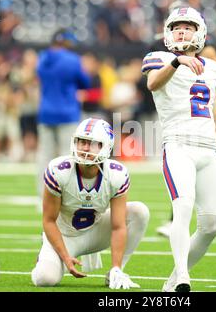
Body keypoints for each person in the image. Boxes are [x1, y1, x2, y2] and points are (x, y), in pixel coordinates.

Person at [142, 7, 216, 292]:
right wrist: (178, 63)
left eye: (188, 27)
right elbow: (152, 83)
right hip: (178, 145)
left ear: (201, 33)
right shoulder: (160, 59)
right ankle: (184, 276)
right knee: (182, 208)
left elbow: (215, 117)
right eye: (176, 27)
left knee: (211, 227)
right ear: (167, 33)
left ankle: (173, 280)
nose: (181, 31)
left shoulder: (212, 68)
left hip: (209, 152)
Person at [31, 118, 149, 289]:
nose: (85, 148)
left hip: (96, 231)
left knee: (139, 211)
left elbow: (118, 226)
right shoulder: (59, 170)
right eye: (81, 142)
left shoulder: (116, 174)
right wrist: (64, 257)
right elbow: (48, 220)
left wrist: (116, 266)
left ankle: (116, 273)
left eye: (92, 143)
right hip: (65, 236)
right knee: (45, 279)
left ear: (106, 146)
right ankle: (45, 256)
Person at [36, 29, 91, 211]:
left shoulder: (42, 58)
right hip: (67, 113)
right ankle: (68, 197)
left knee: (45, 157)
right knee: (69, 157)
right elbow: (85, 82)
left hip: (45, 112)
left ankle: (42, 197)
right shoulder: (73, 60)